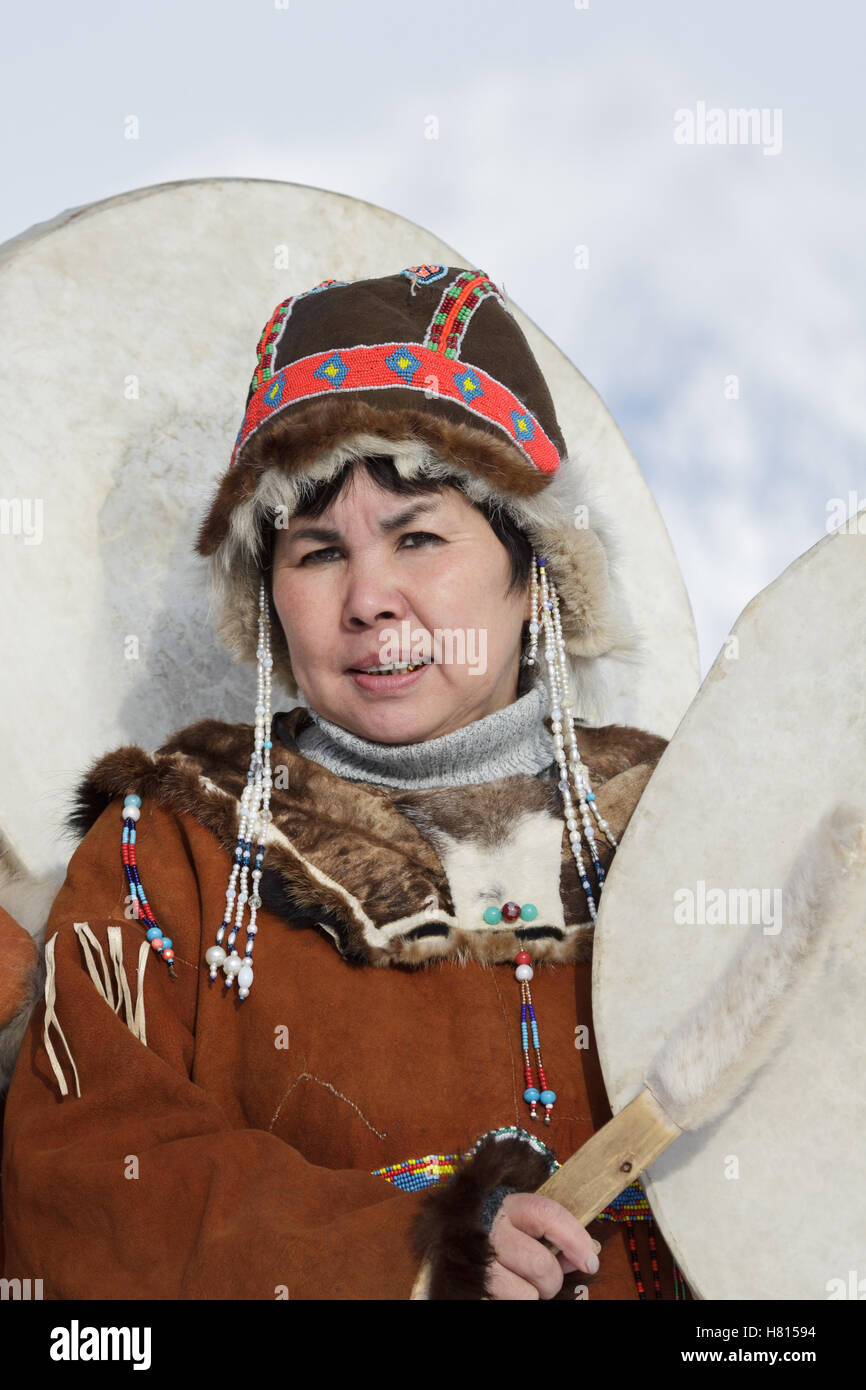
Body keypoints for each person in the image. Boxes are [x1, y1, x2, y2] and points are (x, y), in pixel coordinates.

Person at [0, 264, 687, 1300]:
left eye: (418, 537)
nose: (368, 598)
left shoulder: (679, 829)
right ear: (268, 599)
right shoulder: (172, 850)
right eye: (317, 552)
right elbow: (87, 1188)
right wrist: (404, 1257)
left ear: (533, 568)